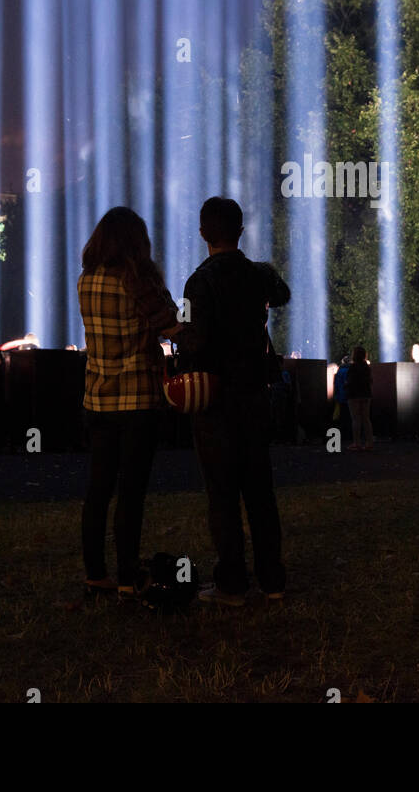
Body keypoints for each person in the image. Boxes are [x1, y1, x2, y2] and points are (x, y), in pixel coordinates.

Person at [176, 196, 290, 607]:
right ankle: (273, 579)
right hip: (255, 395)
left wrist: (177, 336)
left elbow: (195, 338)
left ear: (204, 232)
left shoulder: (198, 281)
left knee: (222, 492)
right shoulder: (256, 274)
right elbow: (282, 293)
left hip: (217, 400)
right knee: (260, 490)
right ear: (240, 232)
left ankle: (231, 584)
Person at [77, 206, 182, 600]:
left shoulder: (86, 281)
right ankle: (126, 577)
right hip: (138, 397)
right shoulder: (137, 281)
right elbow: (171, 326)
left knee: (98, 488)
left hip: (97, 397)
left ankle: (95, 574)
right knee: (132, 490)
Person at [346, 346, 373, 451]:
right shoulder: (367, 367)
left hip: (354, 395)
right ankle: (369, 442)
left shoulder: (352, 367)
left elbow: (349, 381)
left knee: (356, 419)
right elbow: (370, 381)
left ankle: (357, 443)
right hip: (366, 394)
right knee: (366, 419)